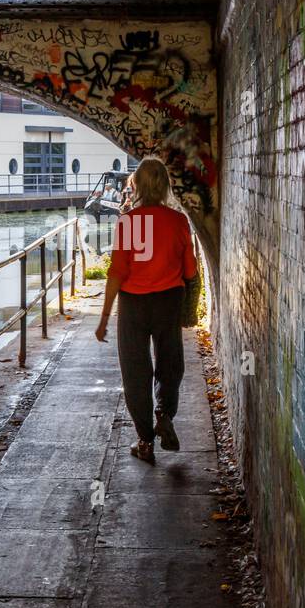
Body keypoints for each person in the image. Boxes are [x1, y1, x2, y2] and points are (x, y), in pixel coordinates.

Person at [95, 158, 197, 464]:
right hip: (168, 300)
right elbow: (190, 270)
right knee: (169, 362)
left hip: (133, 305)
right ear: (166, 186)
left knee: (135, 371)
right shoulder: (179, 222)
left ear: (135, 185)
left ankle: (145, 441)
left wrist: (103, 317)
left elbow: (117, 272)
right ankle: (164, 414)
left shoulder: (128, 222)